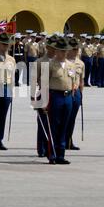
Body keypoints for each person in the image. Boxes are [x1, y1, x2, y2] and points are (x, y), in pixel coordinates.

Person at [46, 36, 75, 165]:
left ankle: (61, 154)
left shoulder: (71, 65)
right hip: (55, 96)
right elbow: (44, 84)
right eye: (61, 51)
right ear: (56, 51)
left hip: (67, 97)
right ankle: (52, 154)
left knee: (64, 126)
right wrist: (43, 103)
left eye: (65, 51)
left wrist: (72, 96)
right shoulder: (51, 65)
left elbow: (73, 82)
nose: (63, 53)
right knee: (54, 126)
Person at [32, 36, 57, 157]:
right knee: (43, 123)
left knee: (55, 123)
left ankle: (52, 148)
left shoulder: (60, 62)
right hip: (43, 93)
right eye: (52, 48)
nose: (55, 50)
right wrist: (33, 98)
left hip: (56, 94)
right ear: (47, 47)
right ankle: (41, 148)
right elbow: (33, 80)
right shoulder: (39, 62)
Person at [66, 37, 85, 151]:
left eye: (77, 49)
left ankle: (69, 140)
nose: (75, 51)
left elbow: (82, 80)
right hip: (66, 92)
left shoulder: (80, 63)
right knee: (64, 118)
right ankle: (61, 140)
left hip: (76, 92)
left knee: (72, 118)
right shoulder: (63, 62)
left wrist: (81, 95)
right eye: (73, 49)